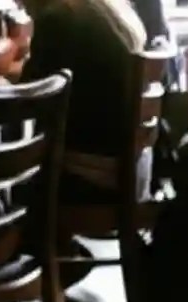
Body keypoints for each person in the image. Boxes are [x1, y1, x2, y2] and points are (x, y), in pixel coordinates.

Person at [19, 0, 150, 197]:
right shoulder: (113, 11)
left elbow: (27, 101)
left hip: (91, 178)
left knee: (6, 178)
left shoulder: (58, 17)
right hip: (133, 171)